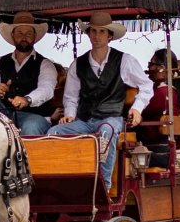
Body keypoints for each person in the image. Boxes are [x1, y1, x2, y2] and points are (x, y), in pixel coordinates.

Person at [49, 12, 152, 191]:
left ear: (110, 36)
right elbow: (71, 96)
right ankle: (62, 183)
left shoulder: (124, 60)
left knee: (105, 132)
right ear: (88, 34)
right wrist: (70, 115)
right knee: (53, 132)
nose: (96, 36)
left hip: (111, 118)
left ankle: (103, 186)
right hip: (84, 121)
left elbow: (147, 86)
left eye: (102, 32)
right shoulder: (77, 64)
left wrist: (137, 109)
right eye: (93, 31)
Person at [0, 11, 61, 136]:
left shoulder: (45, 64)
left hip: (33, 116)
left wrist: (27, 100)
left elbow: (46, 89)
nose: (24, 37)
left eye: (28, 33)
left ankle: (31, 155)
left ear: (34, 35)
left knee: (32, 126)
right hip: (2, 115)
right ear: (13, 35)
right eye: (20, 33)